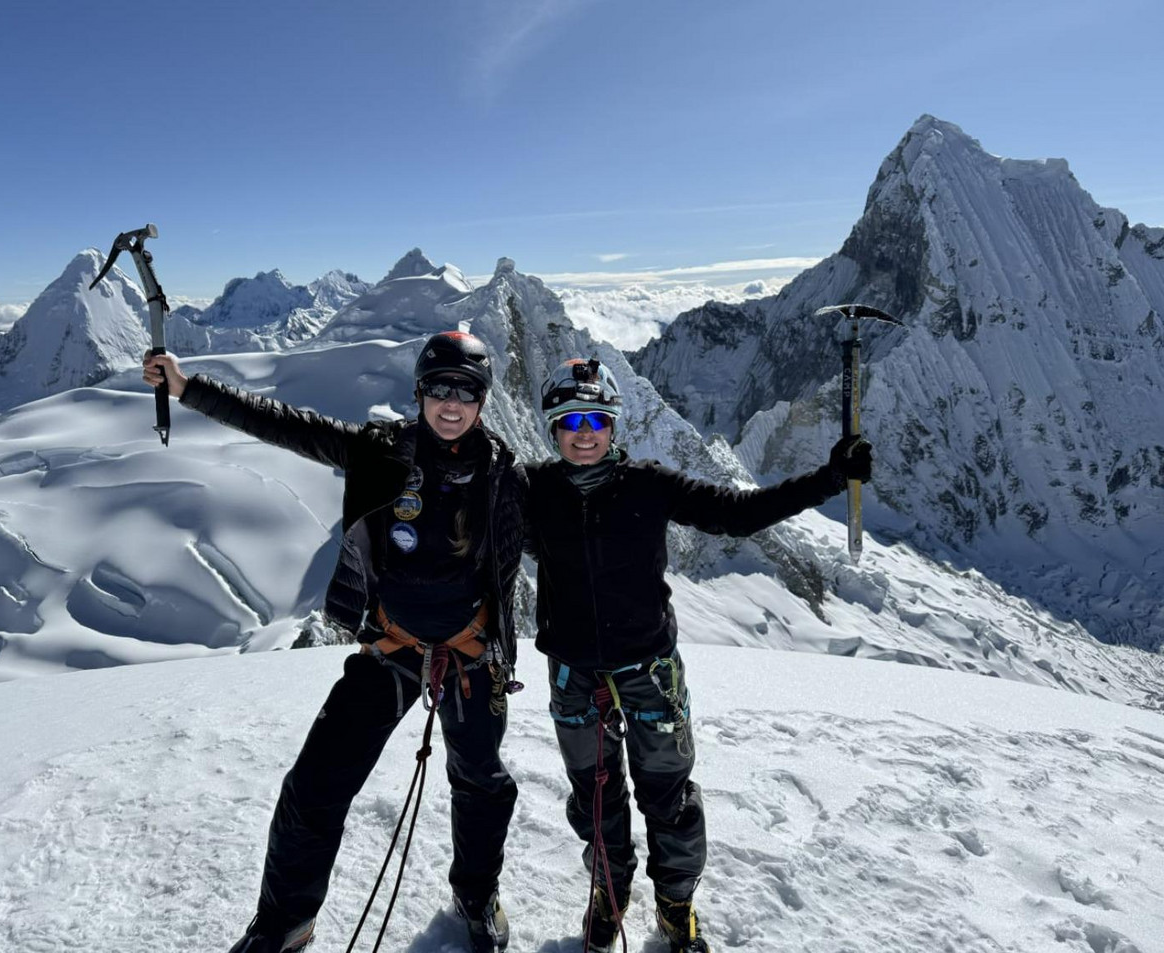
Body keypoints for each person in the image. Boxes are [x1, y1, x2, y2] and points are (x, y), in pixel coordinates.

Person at [143, 331, 525, 953]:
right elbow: (286, 425)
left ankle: (476, 894)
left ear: (482, 401)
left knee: (482, 781)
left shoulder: (504, 474)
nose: (451, 404)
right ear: (420, 392)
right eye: (439, 389)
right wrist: (188, 388)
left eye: (466, 392)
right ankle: (285, 924)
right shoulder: (379, 452)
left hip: (470, 652)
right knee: (315, 786)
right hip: (391, 649)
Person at [523, 357, 872, 953]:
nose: (584, 432)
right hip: (575, 673)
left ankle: (675, 904)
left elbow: (736, 515)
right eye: (571, 420)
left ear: (614, 426)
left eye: (596, 419)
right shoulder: (530, 490)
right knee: (595, 795)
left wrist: (828, 479)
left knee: (669, 797)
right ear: (553, 427)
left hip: (648, 670)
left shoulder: (649, 485)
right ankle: (609, 891)